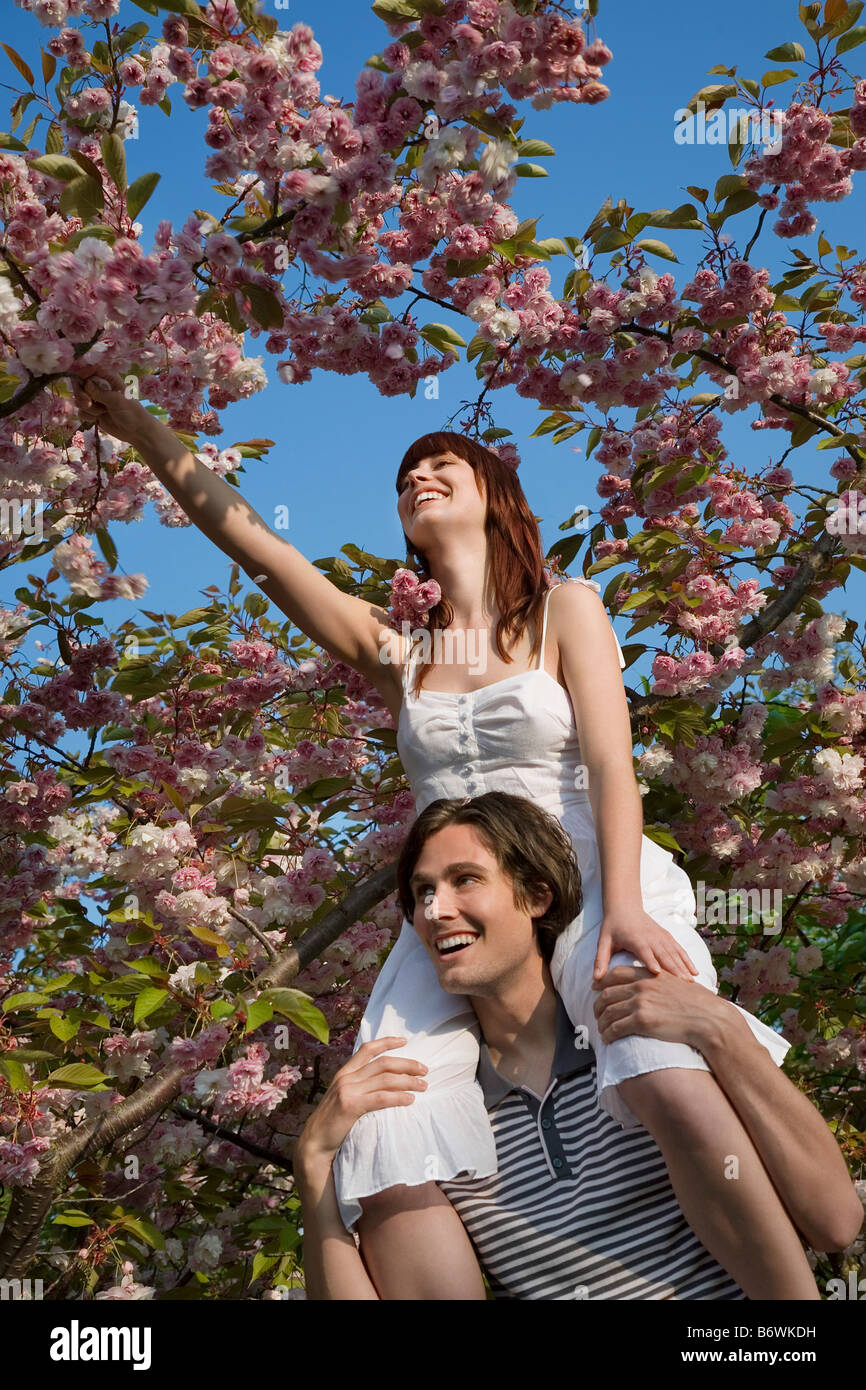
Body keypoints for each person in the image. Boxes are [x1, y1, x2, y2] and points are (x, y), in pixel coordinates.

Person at [68, 383, 835, 1296]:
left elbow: (611, 767)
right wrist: (143, 425)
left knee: (660, 1067)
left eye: (443, 464)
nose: (419, 476)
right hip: (461, 900)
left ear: (496, 494)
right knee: (387, 1130)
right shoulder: (401, 653)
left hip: (591, 877)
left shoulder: (566, 611)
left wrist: (624, 907)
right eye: (404, 476)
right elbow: (260, 548)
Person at [294, 792, 863, 1300]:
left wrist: (721, 1030)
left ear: (537, 896)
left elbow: (835, 1222)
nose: (435, 910)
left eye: (465, 879)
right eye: (422, 892)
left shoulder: (648, 1047)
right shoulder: (433, 1115)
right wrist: (315, 1164)